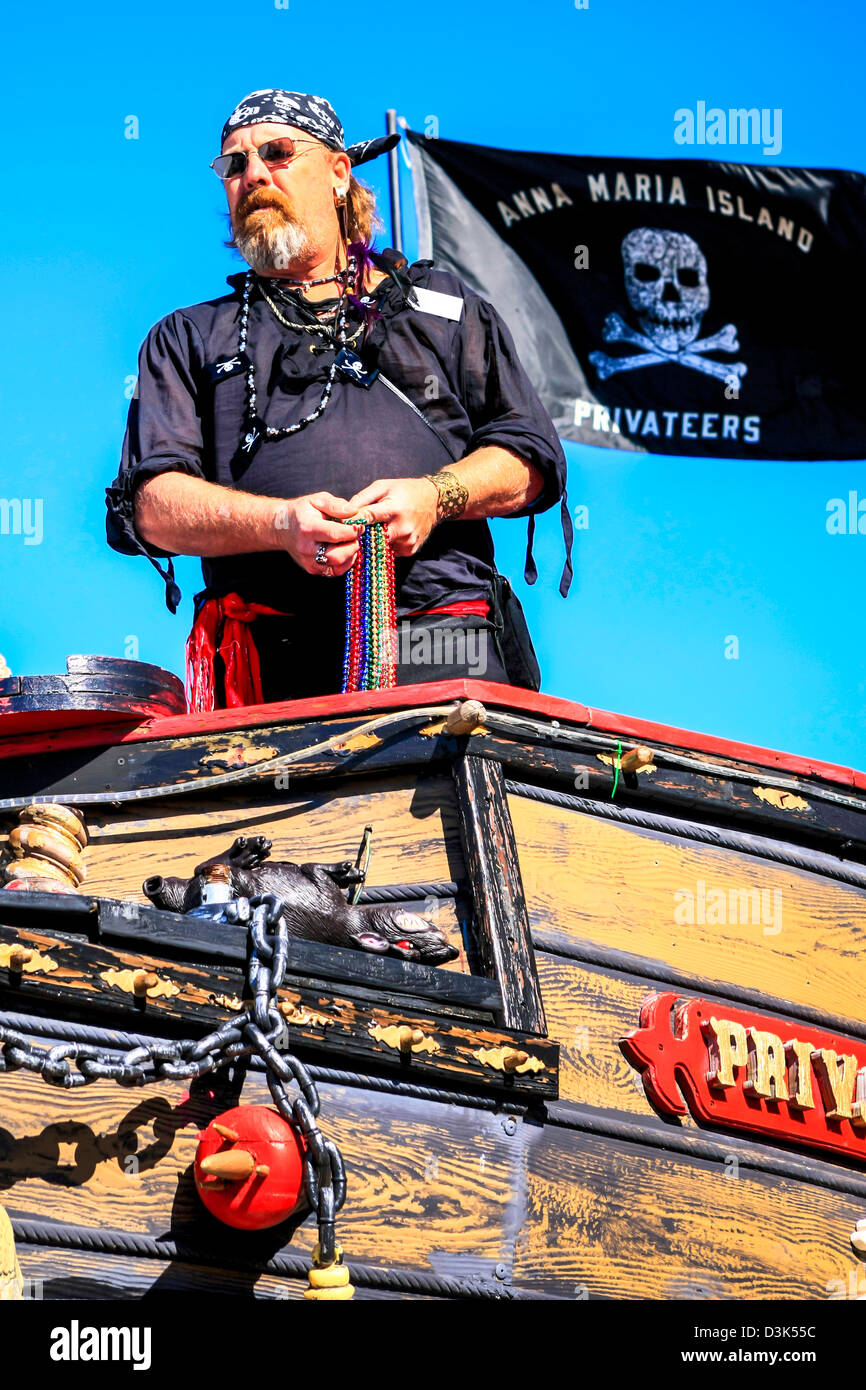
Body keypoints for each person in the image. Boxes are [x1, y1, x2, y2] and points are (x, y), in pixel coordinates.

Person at [105, 89, 573, 709]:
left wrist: (435, 496)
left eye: (277, 153)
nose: (254, 175)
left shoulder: (444, 309)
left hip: (442, 644)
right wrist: (279, 523)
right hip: (262, 666)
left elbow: (530, 459)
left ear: (338, 174)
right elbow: (152, 507)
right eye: (234, 165)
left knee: (446, 804)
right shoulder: (186, 337)